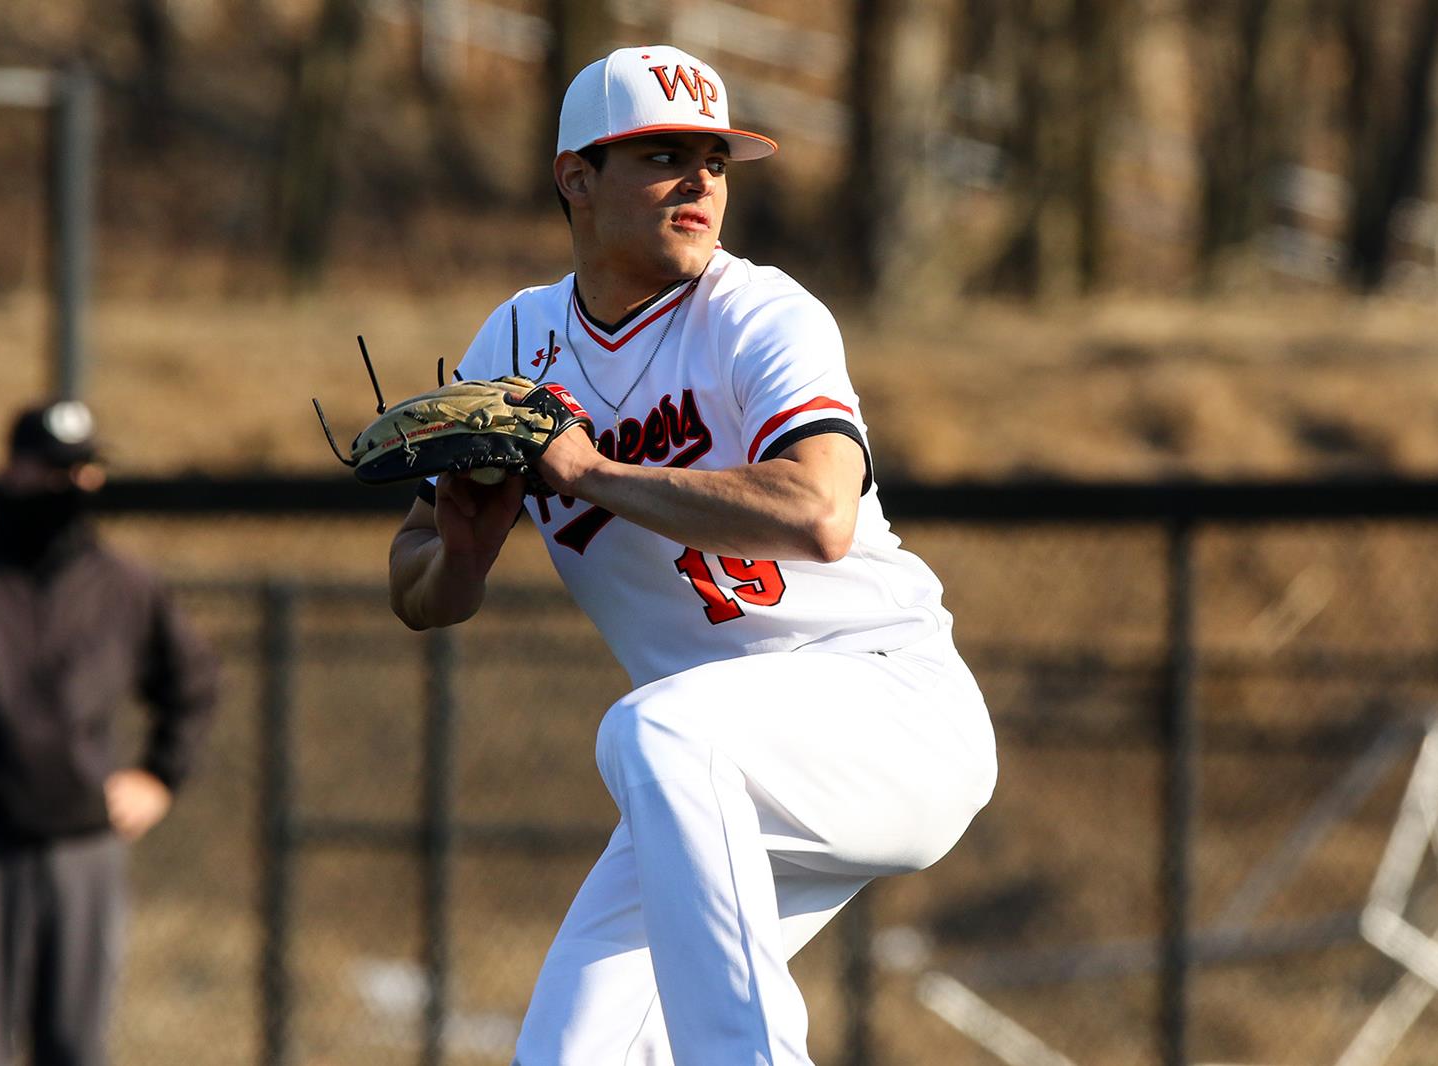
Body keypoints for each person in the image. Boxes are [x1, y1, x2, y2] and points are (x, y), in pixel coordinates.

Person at [388, 45, 997, 1065]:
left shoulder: (759, 312)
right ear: (575, 177)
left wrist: (585, 474)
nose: (699, 182)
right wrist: (460, 555)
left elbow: (819, 515)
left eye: (713, 159)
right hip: (711, 781)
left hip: (888, 710)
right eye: (662, 154)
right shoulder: (517, 343)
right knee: (567, 1056)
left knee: (652, 730)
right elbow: (416, 585)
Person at [0, 400, 220, 1066]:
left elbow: (192, 685)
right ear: (13, 470)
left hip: (82, 845)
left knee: (76, 1046)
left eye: (82, 470)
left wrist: (159, 775)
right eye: (52, 470)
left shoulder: (123, 585)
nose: (68, 486)